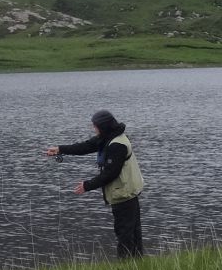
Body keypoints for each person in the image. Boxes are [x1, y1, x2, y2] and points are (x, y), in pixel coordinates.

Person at [45, 109, 146, 257]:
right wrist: (60, 149)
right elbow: (86, 146)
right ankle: (137, 263)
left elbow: (110, 173)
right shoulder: (108, 137)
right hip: (127, 192)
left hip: (124, 194)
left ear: (103, 126)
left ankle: (127, 266)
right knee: (132, 232)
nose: (94, 128)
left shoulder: (117, 145)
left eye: (95, 126)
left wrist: (87, 185)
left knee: (125, 233)